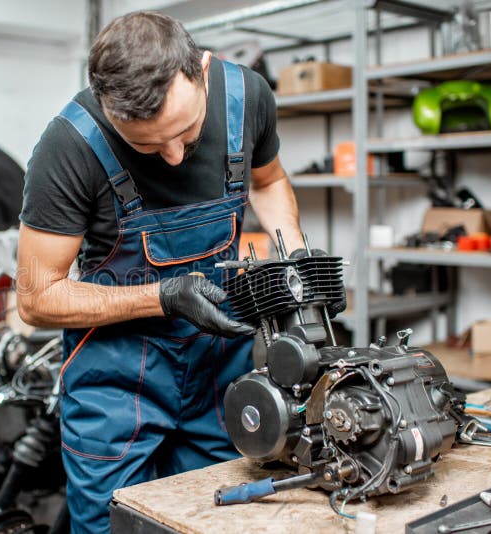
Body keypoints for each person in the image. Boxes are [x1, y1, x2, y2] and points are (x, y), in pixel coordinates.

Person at [16, 11, 306, 533]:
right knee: (115, 523)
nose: (173, 157)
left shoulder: (247, 97)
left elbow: (267, 181)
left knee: (216, 517)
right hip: (114, 384)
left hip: (220, 371)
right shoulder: (68, 147)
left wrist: (294, 259)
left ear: (203, 68)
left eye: (187, 132)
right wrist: (164, 296)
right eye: (147, 145)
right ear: (107, 108)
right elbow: (37, 298)